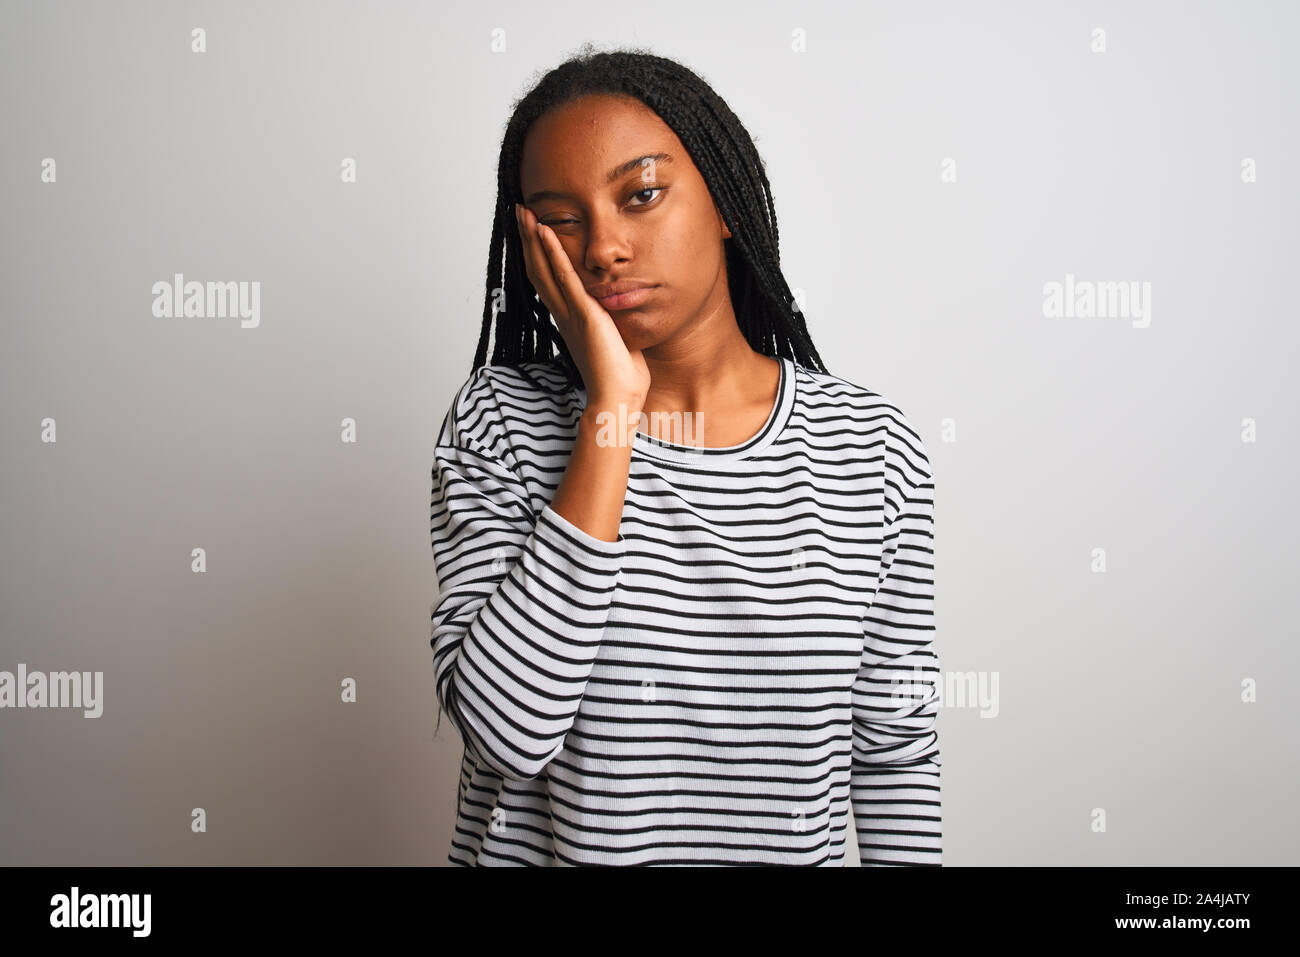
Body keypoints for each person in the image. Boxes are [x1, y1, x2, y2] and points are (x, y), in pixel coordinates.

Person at [430, 44, 941, 866]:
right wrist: (610, 412)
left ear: (726, 200)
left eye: (641, 195)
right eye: (560, 219)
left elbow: (895, 751)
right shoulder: (502, 423)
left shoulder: (870, 450)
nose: (601, 249)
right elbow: (506, 732)